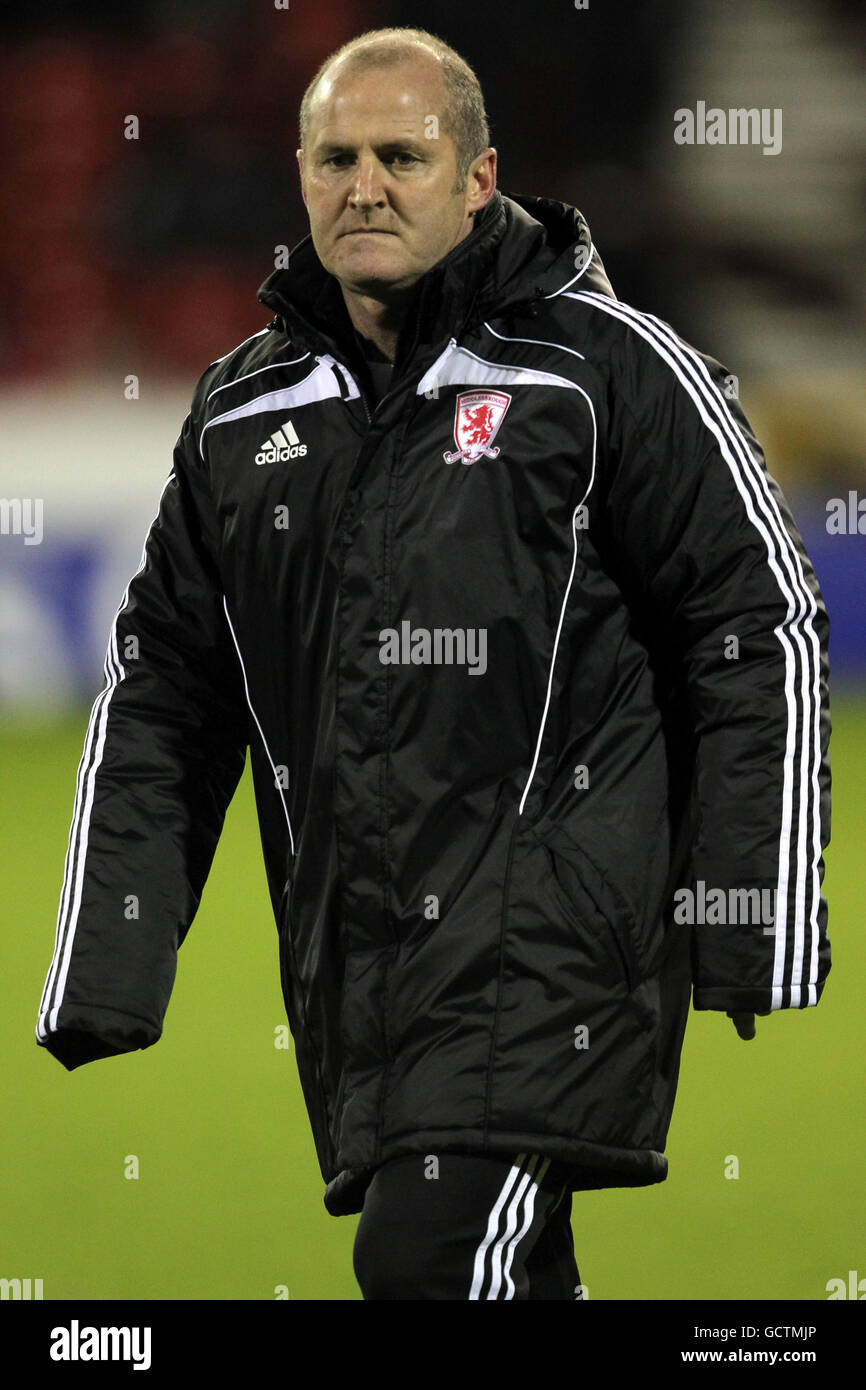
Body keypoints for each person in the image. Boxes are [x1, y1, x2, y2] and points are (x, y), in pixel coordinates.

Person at [35, 27, 831, 1300]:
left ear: (477, 177)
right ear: (298, 177)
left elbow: (755, 626)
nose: (366, 184)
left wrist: (752, 905)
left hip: (555, 951)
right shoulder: (242, 415)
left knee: (428, 1259)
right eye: (336, 156)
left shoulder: (607, 373)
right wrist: (112, 957)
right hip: (356, 963)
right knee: (489, 1272)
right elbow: (168, 693)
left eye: (402, 155)